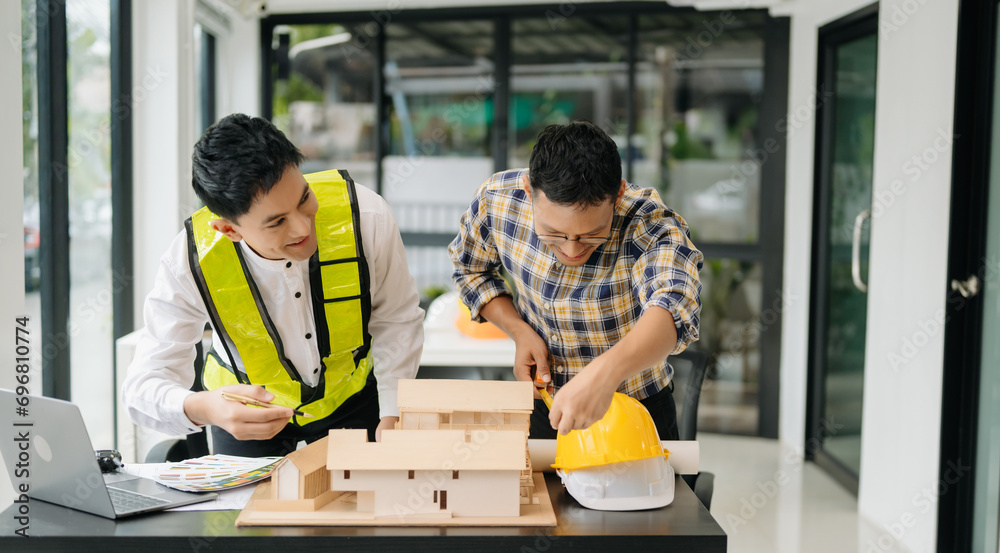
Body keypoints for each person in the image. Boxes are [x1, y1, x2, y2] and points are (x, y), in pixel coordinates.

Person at [121, 114, 424, 456]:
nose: (301, 228)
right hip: (243, 418)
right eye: (277, 222)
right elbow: (141, 388)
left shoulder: (365, 217)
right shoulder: (189, 262)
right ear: (229, 230)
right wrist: (208, 409)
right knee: (245, 510)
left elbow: (396, 319)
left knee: (362, 505)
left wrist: (393, 411)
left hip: (353, 402)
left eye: (304, 199)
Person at [448, 120, 702, 439]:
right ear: (529, 189)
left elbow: (673, 307)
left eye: (591, 235)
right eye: (554, 233)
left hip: (635, 408)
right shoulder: (497, 200)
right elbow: (471, 270)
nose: (571, 249)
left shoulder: (648, 222)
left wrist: (605, 375)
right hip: (545, 403)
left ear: (618, 194)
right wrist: (519, 331)